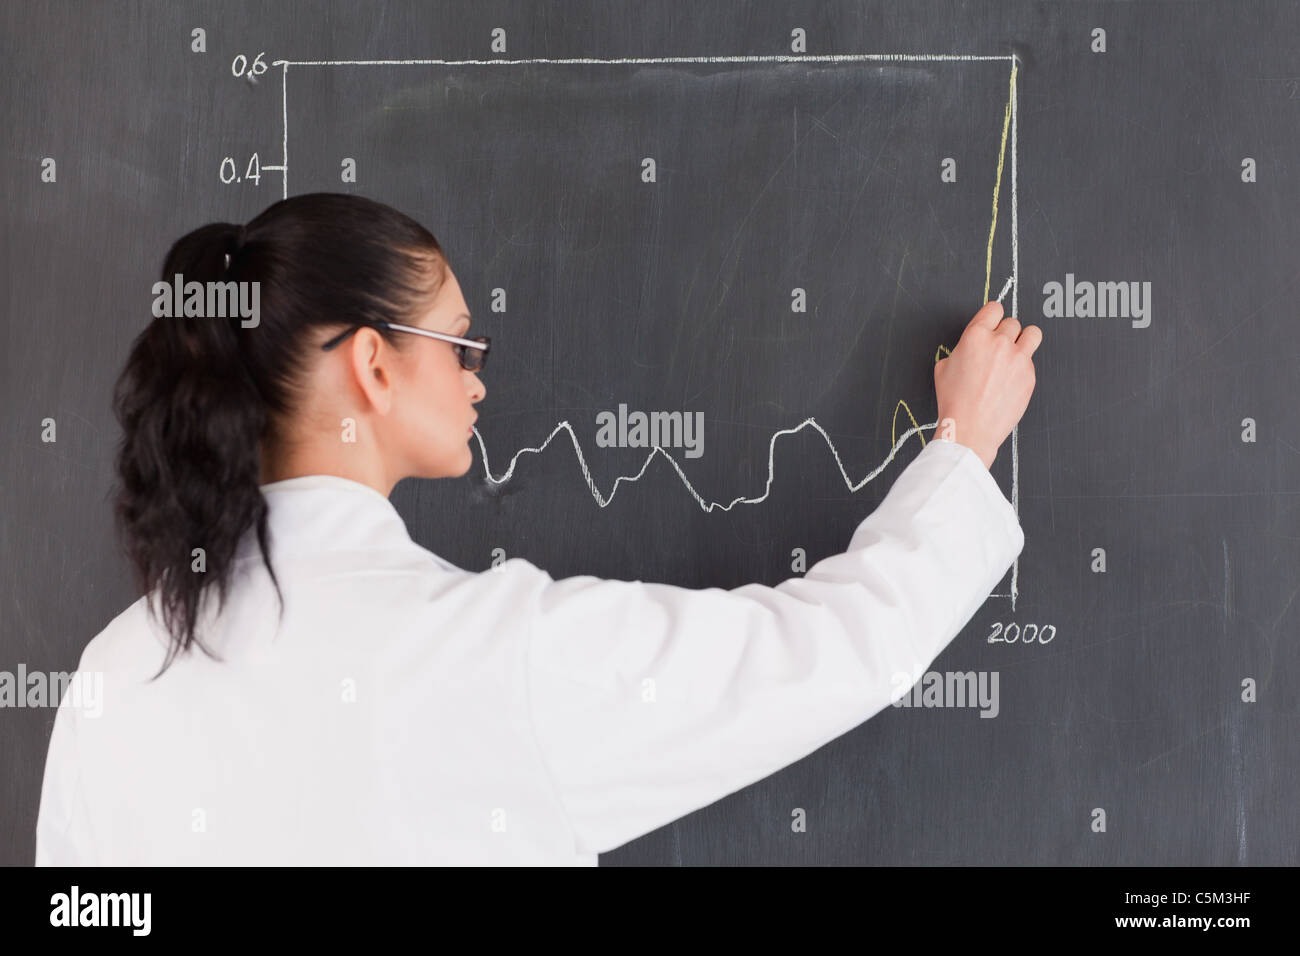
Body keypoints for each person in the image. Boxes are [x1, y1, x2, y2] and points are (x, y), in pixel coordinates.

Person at [34, 192, 1041, 865]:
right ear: (374, 366)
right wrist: (963, 445)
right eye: (459, 340)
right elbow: (828, 652)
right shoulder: (490, 651)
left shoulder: (110, 677)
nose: (478, 372)